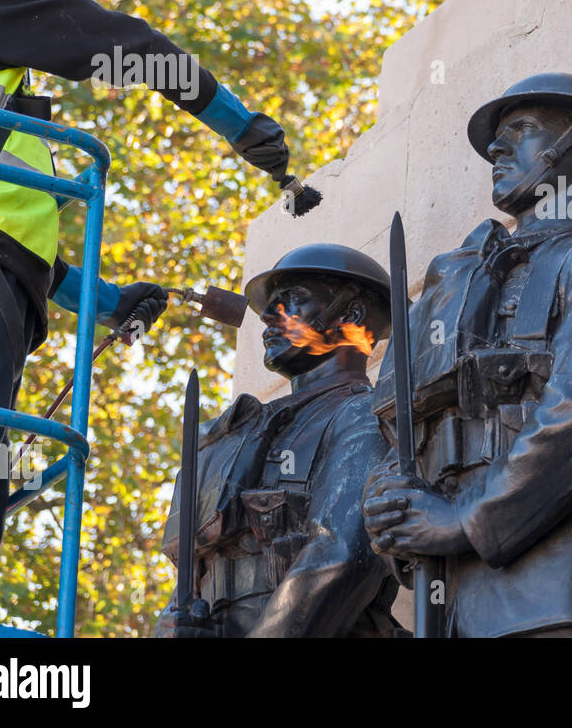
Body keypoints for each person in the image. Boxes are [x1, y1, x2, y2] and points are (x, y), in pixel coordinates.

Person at [0, 0, 305, 615]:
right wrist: (233, 119)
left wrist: (107, 300)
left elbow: (11, 247)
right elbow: (119, 41)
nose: (61, 6)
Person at [361, 73, 572, 637]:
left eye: (524, 130)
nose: (496, 147)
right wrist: (389, 507)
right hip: (451, 599)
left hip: (559, 590)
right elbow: (395, 426)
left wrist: (467, 520)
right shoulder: (453, 280)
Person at [156, 244, 401, 637]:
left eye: (292, 300)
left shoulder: (363, 417)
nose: (269, 316)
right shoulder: (238, 434)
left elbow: (340, 556)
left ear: (350, 315)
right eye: (271, 304)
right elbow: (195, 577)